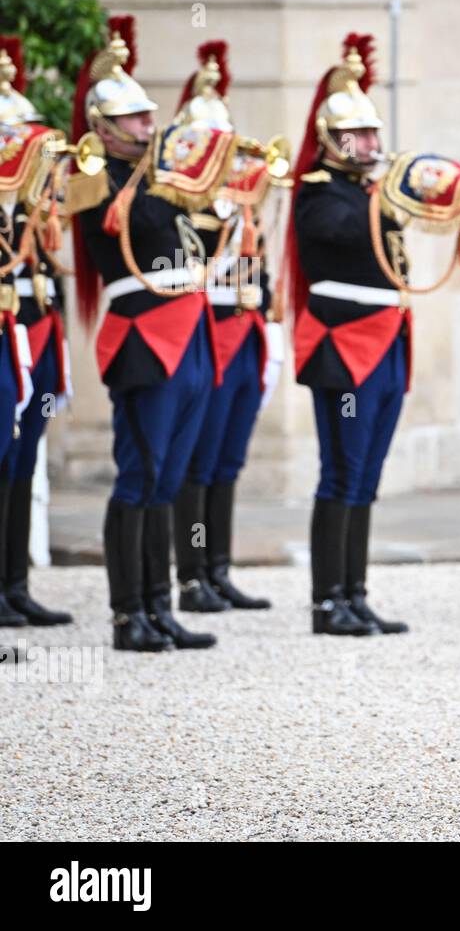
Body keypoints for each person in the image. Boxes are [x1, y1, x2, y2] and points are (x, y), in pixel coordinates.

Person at [71, 17, 225, 652]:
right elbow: (129, 223)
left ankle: (159, 608)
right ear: (105, 127)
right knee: (139, 473)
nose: (145, 125)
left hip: (188, 327)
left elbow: (202, 238)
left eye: (146, 116)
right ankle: (126, 612)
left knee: (169, 475)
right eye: (133, 120)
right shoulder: (95, 176)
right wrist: (176, 175)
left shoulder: (160, 174)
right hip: (141, 335)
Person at [283, 34, 409, 637]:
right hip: (342, 345)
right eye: (359, 137)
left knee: (368, 475)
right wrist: (389, 195)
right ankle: (325, 599)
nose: (371, 146)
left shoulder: (367, 193)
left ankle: (354, 592)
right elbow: (338, 234)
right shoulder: (317, 192)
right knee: (341, 470)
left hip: (386, 340)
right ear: (333, 140)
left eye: (373, 135)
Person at [170, 41, 274, 614]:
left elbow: (262, 267)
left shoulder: (241, 203)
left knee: (229, 458)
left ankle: (218, 568)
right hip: (205, 328)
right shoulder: (187, 206)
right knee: (198, 459)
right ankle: (190, 574)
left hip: (244, 331)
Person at [0, 36, 72, 628]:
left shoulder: (33, 201)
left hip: (39, 328)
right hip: (11, 325)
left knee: (24, 457)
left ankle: (14, 581)